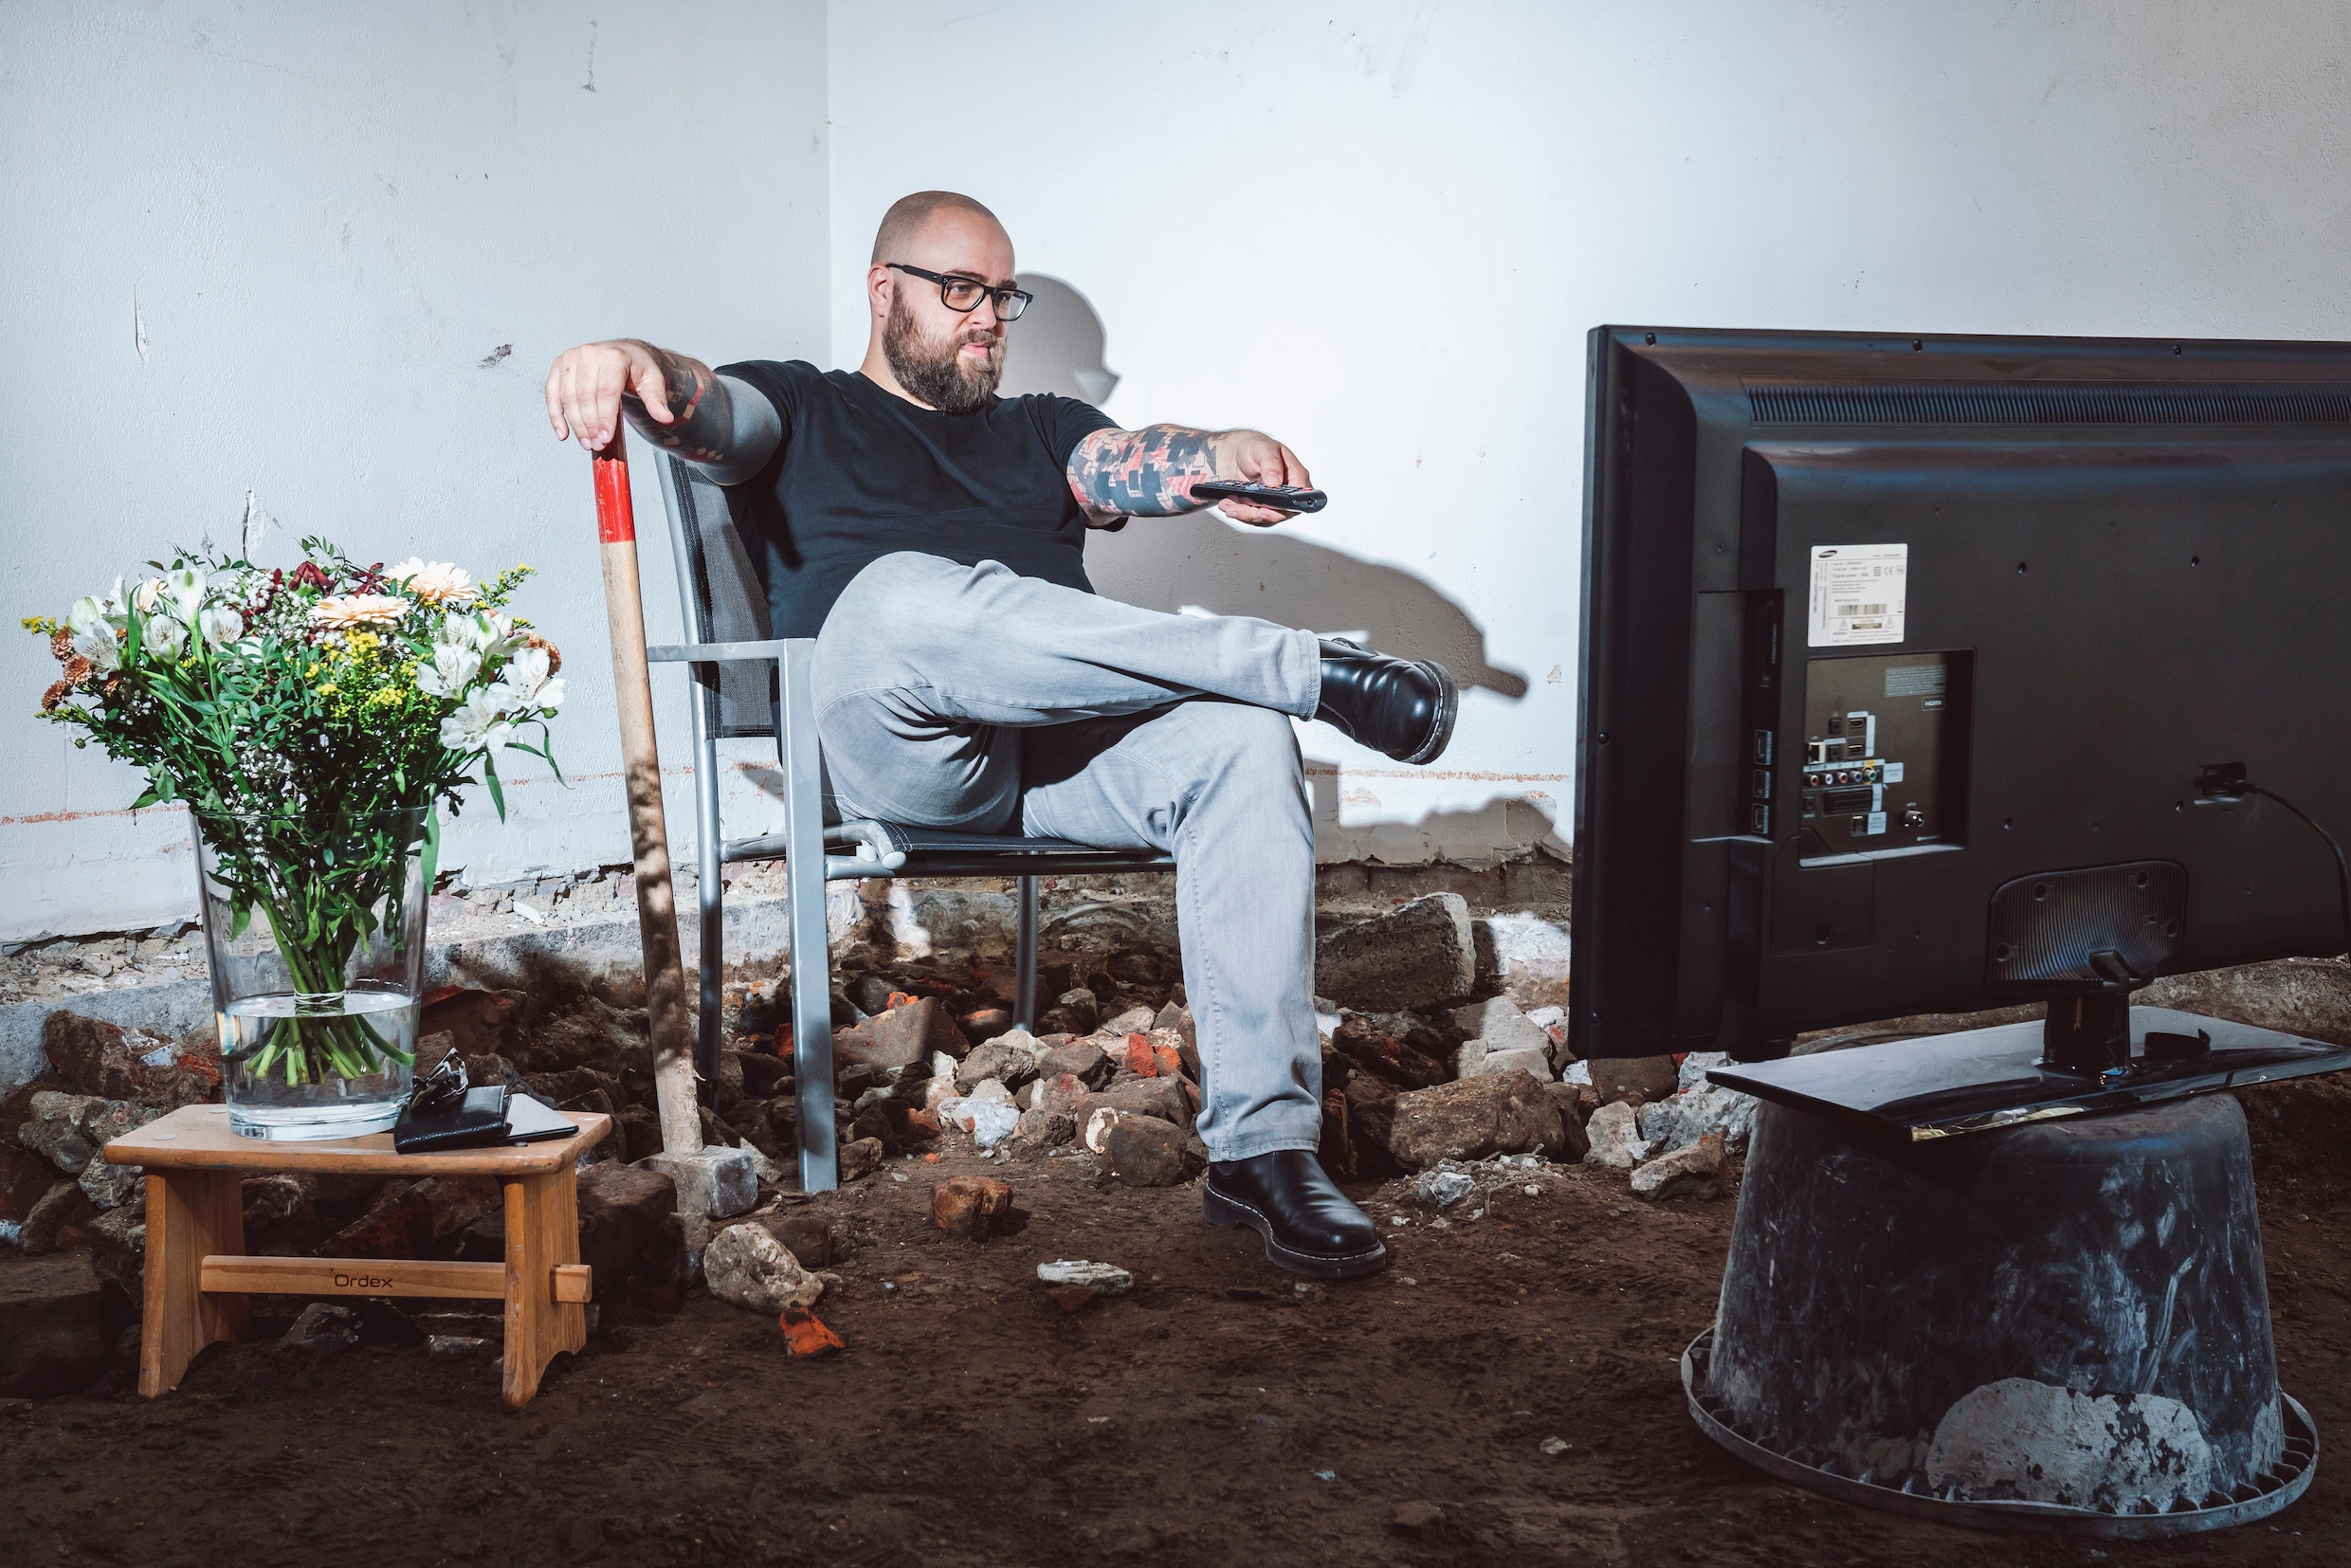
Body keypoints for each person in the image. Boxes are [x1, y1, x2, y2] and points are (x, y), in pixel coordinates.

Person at [543, 191, 1456, 1280]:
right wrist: (629, 359)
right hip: (897, 756)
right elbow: (701, 409)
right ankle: (1302, 668)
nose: (989, 317)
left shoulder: (1040, 428)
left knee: (1240, 746)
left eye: (1002, 296)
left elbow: (1125, 462)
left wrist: (1219, 450)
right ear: (883, 292)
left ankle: (1261, 1151)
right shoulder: (800, 405)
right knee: (894, 596)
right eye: (961, 290)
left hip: (1055, 762)